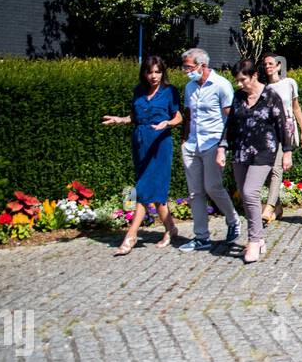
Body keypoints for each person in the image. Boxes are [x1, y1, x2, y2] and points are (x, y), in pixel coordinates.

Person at [101, 55, 183, 255]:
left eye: (157, 71)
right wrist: (120, 120)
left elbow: (179, 116)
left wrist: (168, 123)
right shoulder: (138, 91)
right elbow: (134, 117)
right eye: (150, 72)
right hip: (140, 143)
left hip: (160, 143)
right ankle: (171, 228)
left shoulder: (169, 91)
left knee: (143, 189)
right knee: (153, 191)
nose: (154, 76)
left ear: (163, 72)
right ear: (144, 73)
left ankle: (131, 235)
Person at [216, 59, 292, 264]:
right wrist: (222, 148)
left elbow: (282, 125)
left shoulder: (270, 96)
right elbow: (230, 124)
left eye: (243, 80)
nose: (239, 84)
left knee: (250, 192)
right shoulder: (239, 97)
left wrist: (287, 151)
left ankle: (254, 240)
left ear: (254, 76)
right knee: (248, 198)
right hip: (241, 152)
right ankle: (259, 238)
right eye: (237, 80)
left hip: (264, 152)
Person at [178, 47, 242, 252]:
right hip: (192, 144)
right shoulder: (190, 87)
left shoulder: (221, 85)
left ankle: (233, 220)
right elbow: (188, 115)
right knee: (195, 192)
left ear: (202, 65)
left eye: (189, 67)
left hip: (213, 142)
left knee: (213, 186)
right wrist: (184, 139)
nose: (186, 71)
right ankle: (201, 237)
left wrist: (225, 144)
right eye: (185, 67)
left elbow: (230, 117)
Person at [259, 52, 302, 225]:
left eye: (271, 63)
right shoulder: (263, 89)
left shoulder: (289, 83)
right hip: (269, 133)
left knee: (277, 168)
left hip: (286, 131)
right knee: (268, 169)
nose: (268, 67)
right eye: (265, 64)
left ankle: (269, 207)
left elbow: (296, 107)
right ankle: (277, 207)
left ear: (279, 66)